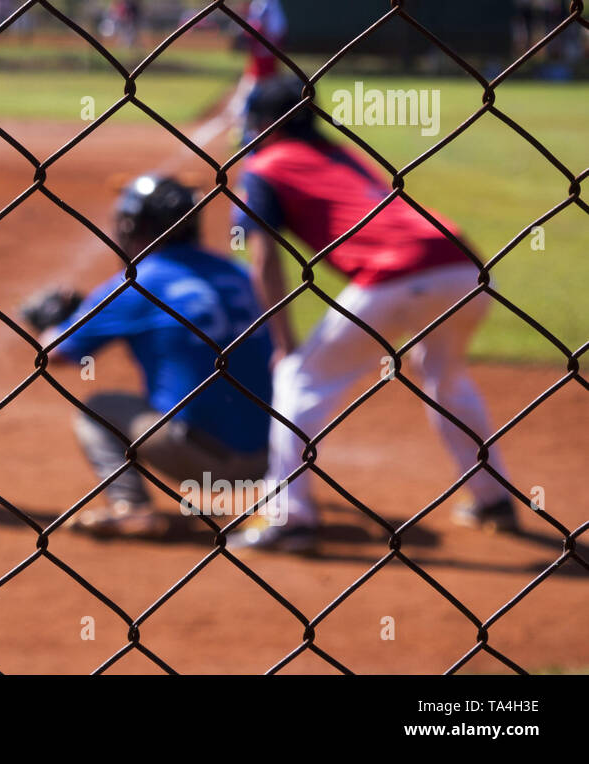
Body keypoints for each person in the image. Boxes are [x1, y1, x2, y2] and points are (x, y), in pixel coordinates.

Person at [229, 78, 515, 553]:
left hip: (395, 276)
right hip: (466, 267)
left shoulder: (263, 165)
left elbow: (262, 258)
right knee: (446, 378)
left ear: (266, 125)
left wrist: (283, 343)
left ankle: (290, 517)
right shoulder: (342, 152)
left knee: (299, 380)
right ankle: (493, 498)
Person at [26, 175, 274, 539]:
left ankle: (131, 507)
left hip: (204, 463)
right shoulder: (238, 272)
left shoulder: (137, 283)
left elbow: (58, 351)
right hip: (273, 457)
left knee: (98, 410)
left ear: (134, 227)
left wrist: (50, 320)